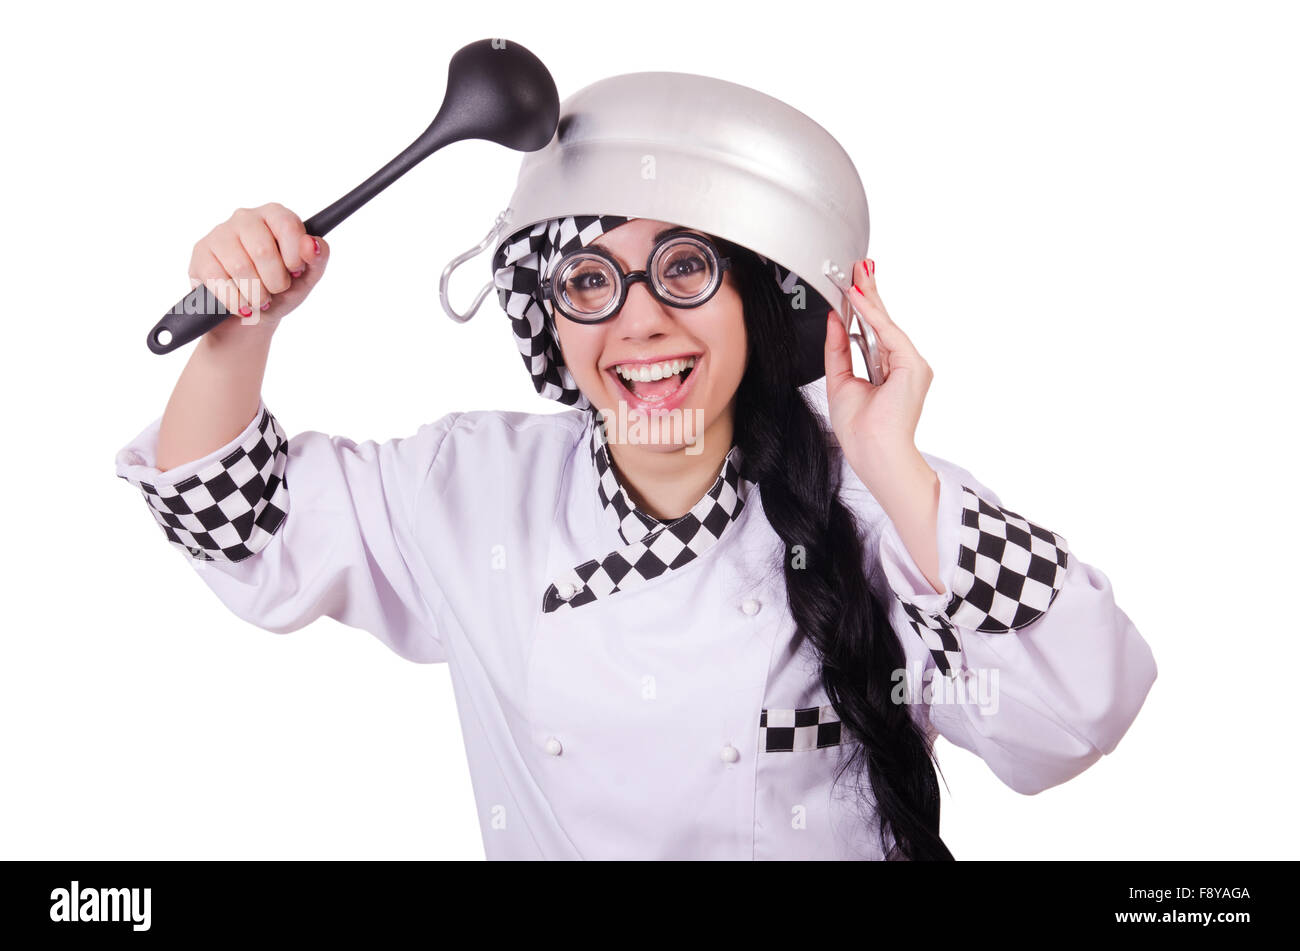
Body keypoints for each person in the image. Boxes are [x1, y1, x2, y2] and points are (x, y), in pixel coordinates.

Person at [115, 74, 1156, 861]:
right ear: (550, 321)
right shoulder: (470, 490)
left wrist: (889, 456)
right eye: (587, 279)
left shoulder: (878, 504)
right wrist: (237, 331)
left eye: (685, 267)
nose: (638, 320)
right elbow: (239, 525)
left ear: (756, 295)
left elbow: (1078, 712)